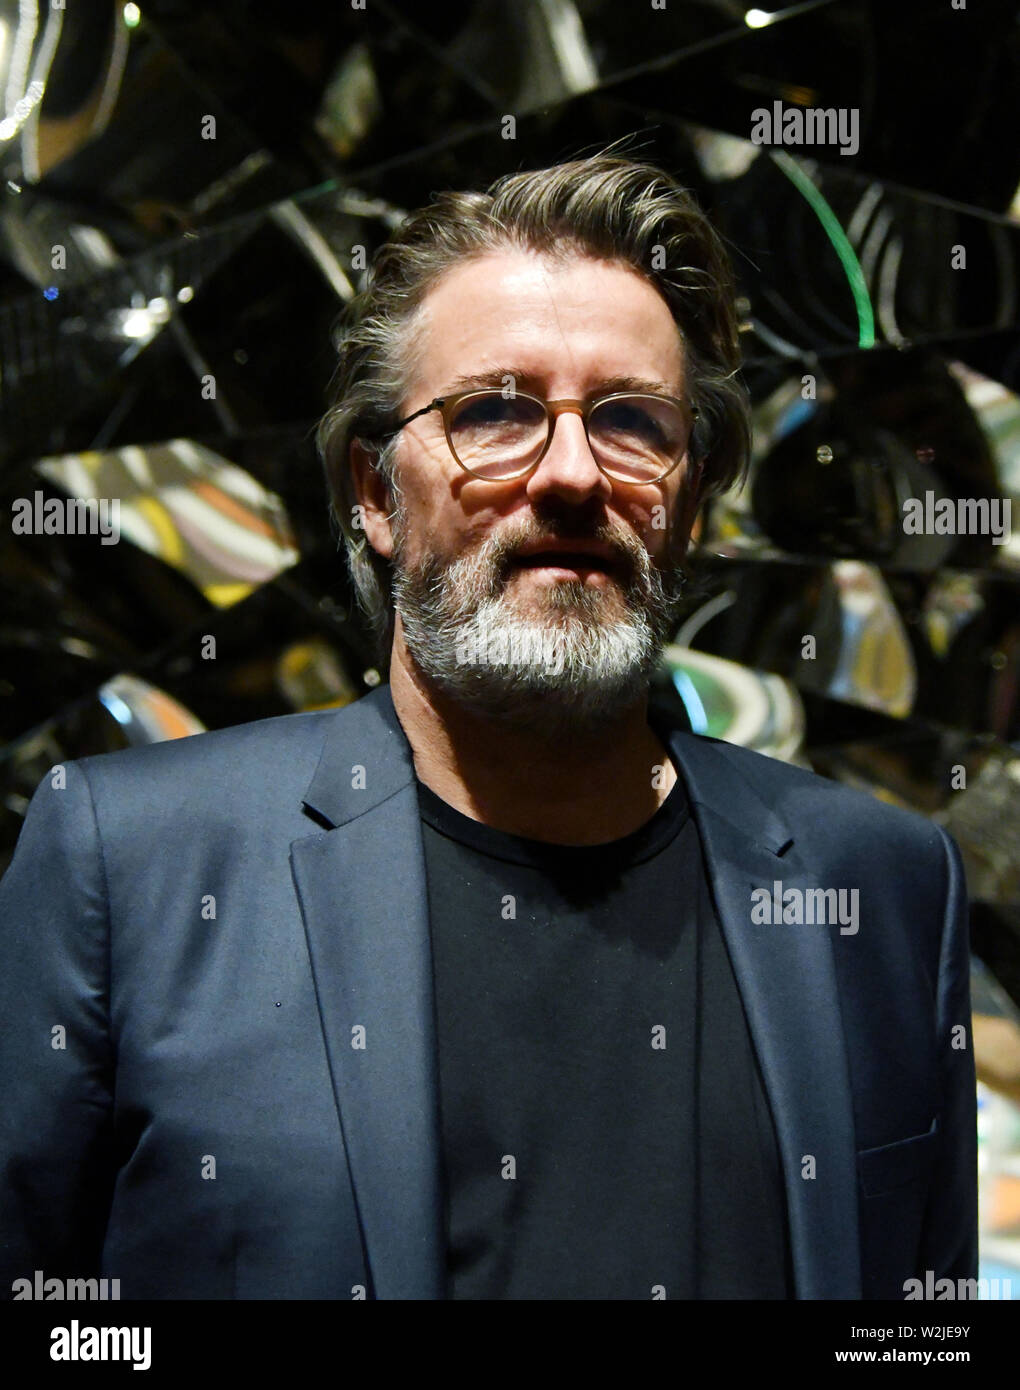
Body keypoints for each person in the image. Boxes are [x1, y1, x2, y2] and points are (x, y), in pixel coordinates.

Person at [0, 151, 976, 1300]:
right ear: (373, 492)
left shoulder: (885, 886)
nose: (572, 474)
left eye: (631, 421)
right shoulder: (133, 863)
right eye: (496, 412)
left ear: (693, 502)